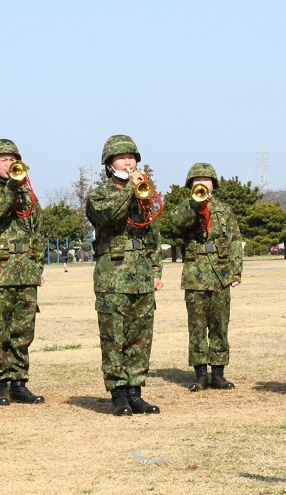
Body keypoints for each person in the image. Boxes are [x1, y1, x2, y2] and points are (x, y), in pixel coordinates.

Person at [86, 135, 164, 416]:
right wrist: (131, 188)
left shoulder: (143, 195)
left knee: (140, 338)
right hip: (113, 277)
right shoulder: (99, 195)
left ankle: (135, 392)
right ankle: (118, 395)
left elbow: (152, 234)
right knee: (114, 338)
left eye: (131, 157)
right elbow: (109, 215)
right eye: (121, 158)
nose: (128, 162)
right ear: (109, 164)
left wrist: (156, 270)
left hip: (141, 276)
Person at [0, 139, 47, 406]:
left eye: (13, 159)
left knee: (23, 331)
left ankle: (19, 383)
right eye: (3, 160)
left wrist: (37, 266)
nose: (9, 164)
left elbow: (38, 231)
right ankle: (0, 385)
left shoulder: (27, 194)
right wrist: (14, 186)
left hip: (25, 271)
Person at [162, 163, 243, 391]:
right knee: (197, 327)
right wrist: (195, 205)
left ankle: (218, 374)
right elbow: (176, 225)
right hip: (195, 275)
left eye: (206, 180)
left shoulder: (224, 210)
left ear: (214, 184)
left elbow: (235, 240)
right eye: (197, 181)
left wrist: (236, 271)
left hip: (220, 273)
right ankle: (200, 375)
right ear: (190, 185)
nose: (202, 184)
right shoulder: (185, 208)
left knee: (219, 325)